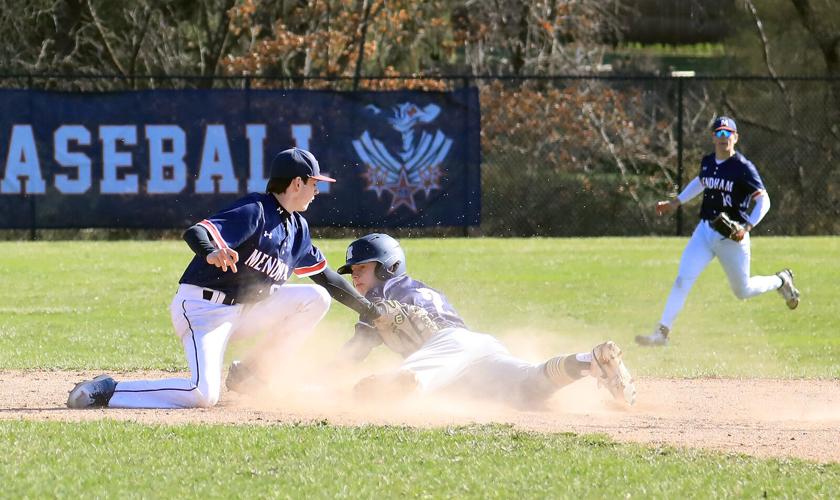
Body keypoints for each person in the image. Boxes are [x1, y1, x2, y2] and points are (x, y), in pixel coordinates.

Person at [67, 147, 380, 409]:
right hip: (204, 310)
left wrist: (371, 310)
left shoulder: (297, 229)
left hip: (244, 312)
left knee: (315, 298)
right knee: (203, 394)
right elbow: (197, 231)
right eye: (314, 183)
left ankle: (251, 372)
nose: (317, 190)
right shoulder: (255, 210)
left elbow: (327, 279)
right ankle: (107, 390)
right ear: (297, 183)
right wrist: (210, 251)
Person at [333, 233, 636, 409]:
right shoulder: (419, 287)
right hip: (479, 348)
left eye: (362, 267)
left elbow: (355, 351)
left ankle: (397, 384)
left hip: (449, 344)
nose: (355, 275)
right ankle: (589, 361)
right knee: (529, 388)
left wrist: (320, 378)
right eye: (352, 270)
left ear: (389, 267)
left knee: (408, 383)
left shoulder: (378, 298)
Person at [635, 116, 800, 347]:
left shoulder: (743, 168)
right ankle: (661, 332)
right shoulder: (708, 162)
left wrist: (747, 226)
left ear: (736, 137)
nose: (724, 138)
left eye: (728, 133)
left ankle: (780, 281)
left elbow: (764, 200)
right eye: (719, 133)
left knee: (742, 291)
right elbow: (701, 181)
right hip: (704, 232)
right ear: (713, 137)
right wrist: (677, 202)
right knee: (683, 279)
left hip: (733, 237)